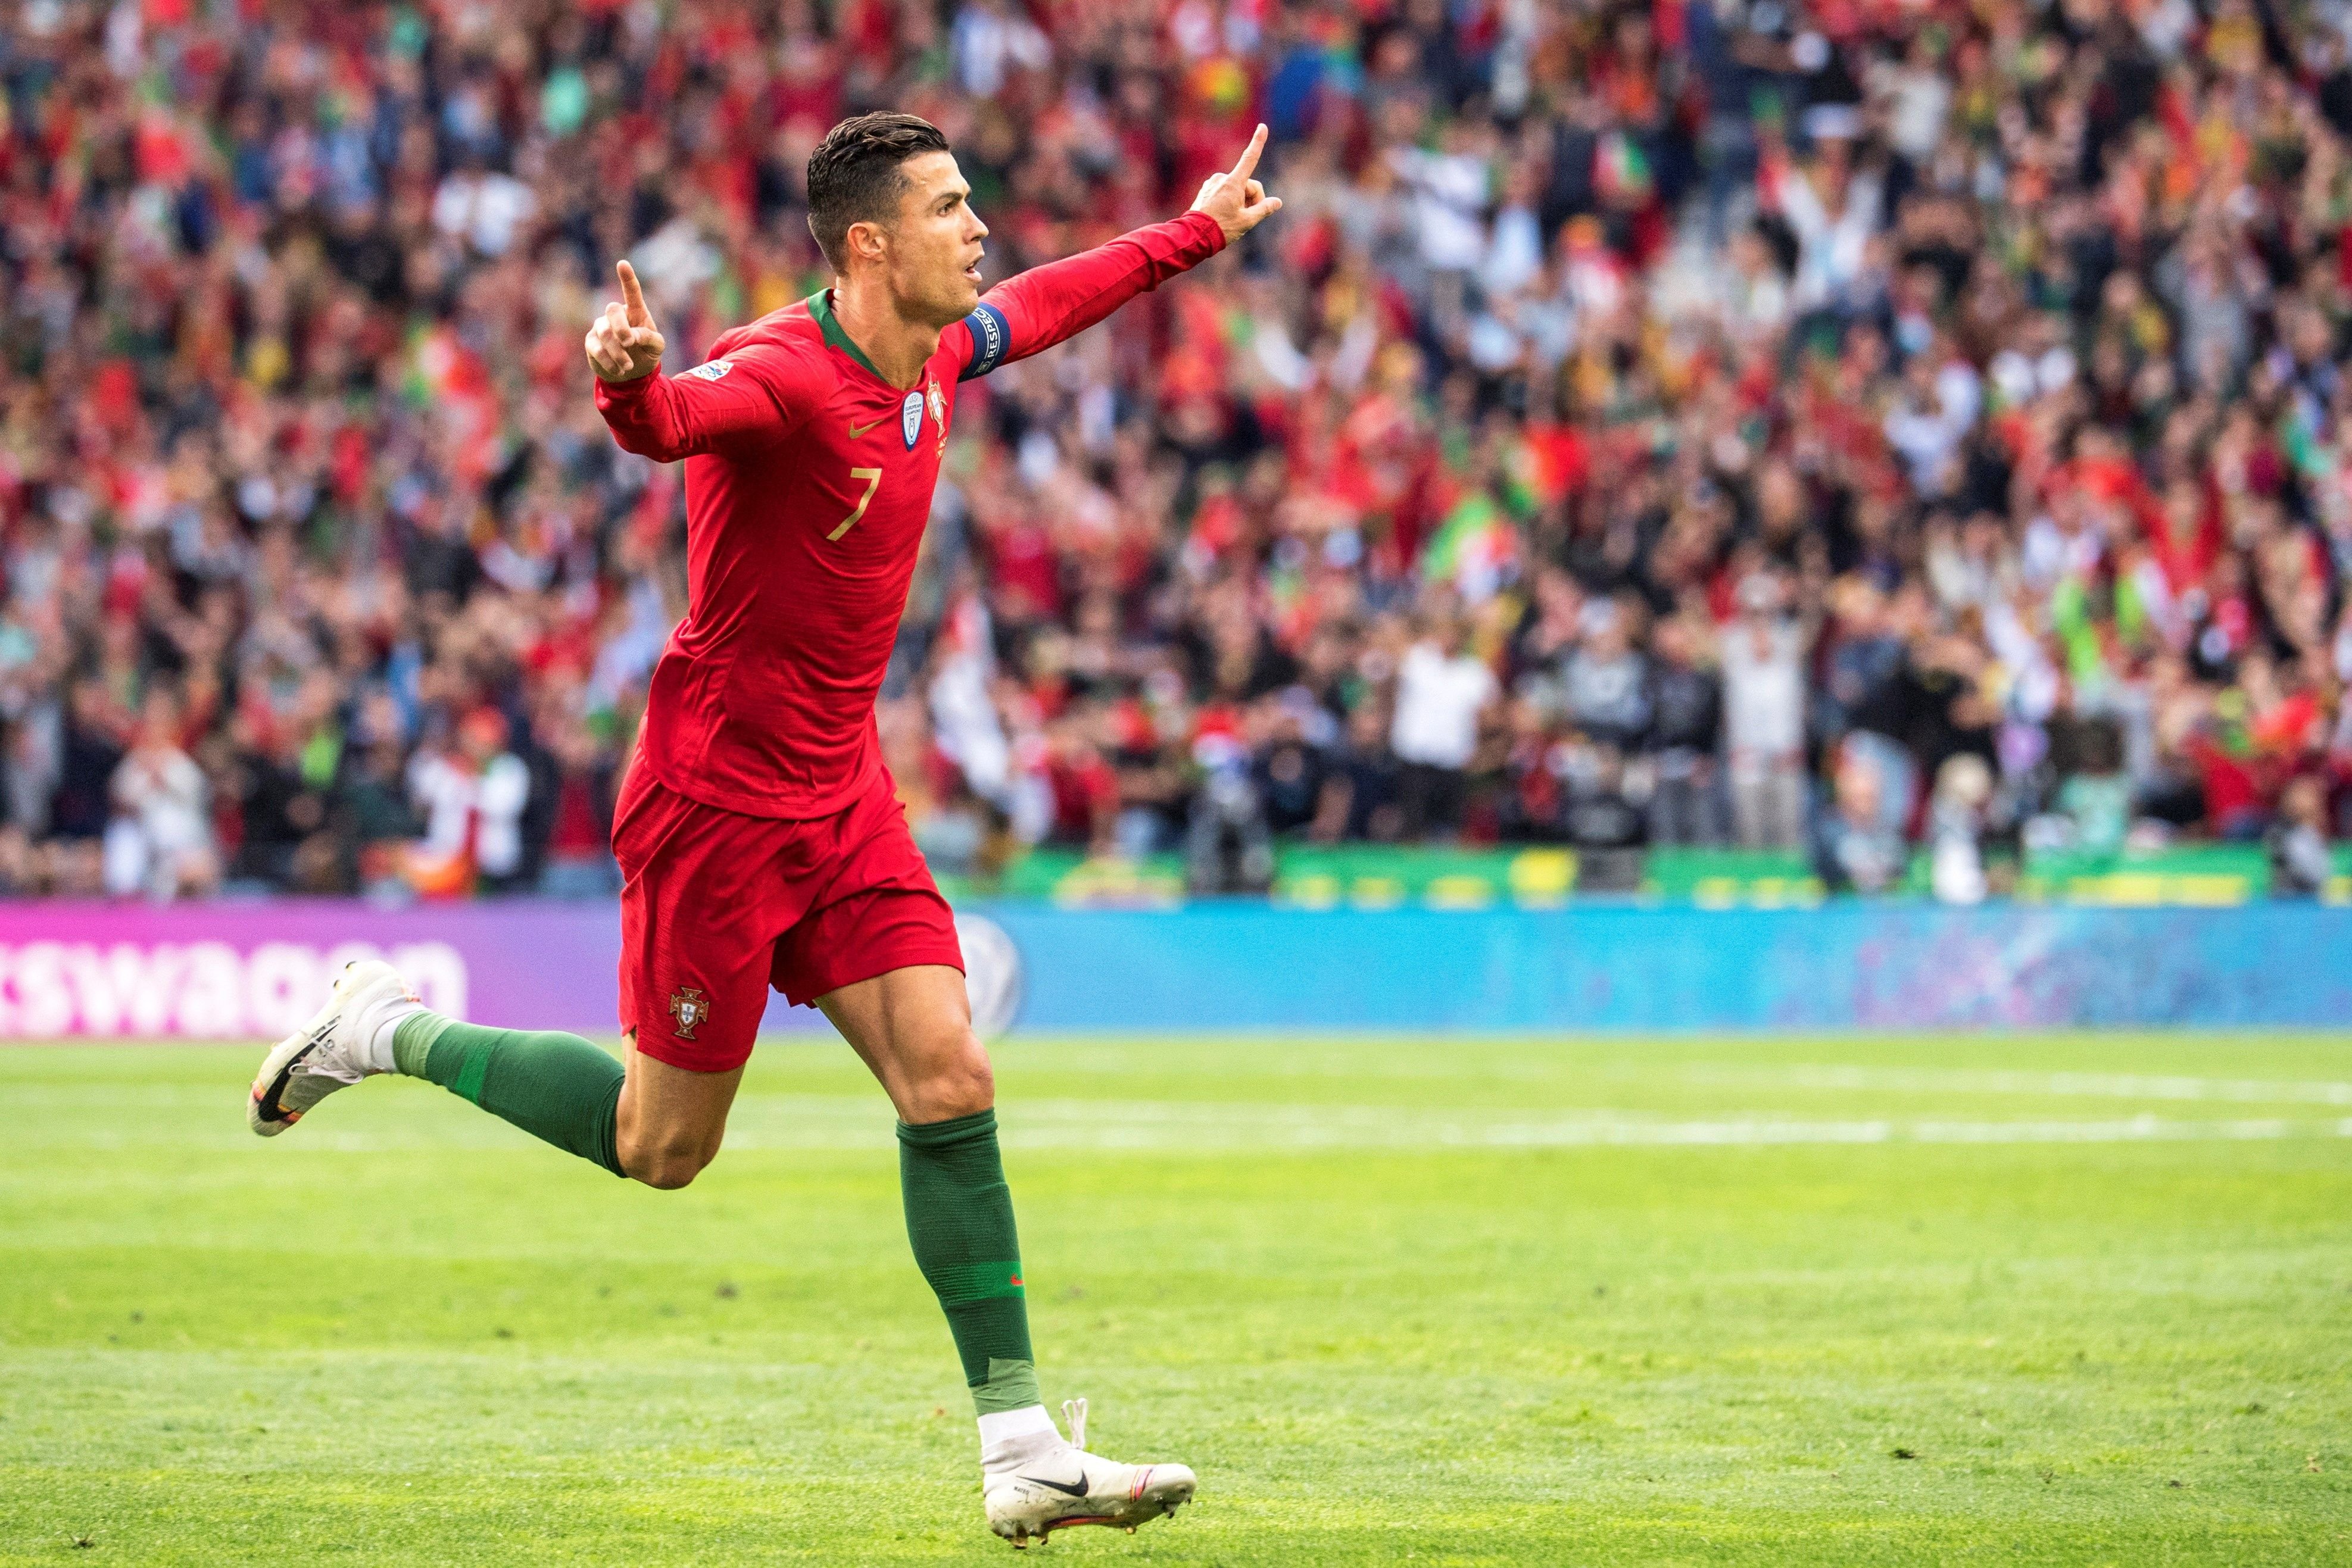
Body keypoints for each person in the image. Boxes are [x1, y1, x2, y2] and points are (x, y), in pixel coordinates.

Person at [246, 110, 1280, 1549]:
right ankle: (382, 1029)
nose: (980, 228)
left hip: (841, 791)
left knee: (947, 1075)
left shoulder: (935, 350)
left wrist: (1194, 229)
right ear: (870, 243)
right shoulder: (781, 373)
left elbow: (1044, 305)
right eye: (951, 206)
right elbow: (682, 422)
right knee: (661, 1146)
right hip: (717, 810)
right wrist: (628, 389)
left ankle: (1022, 1447)